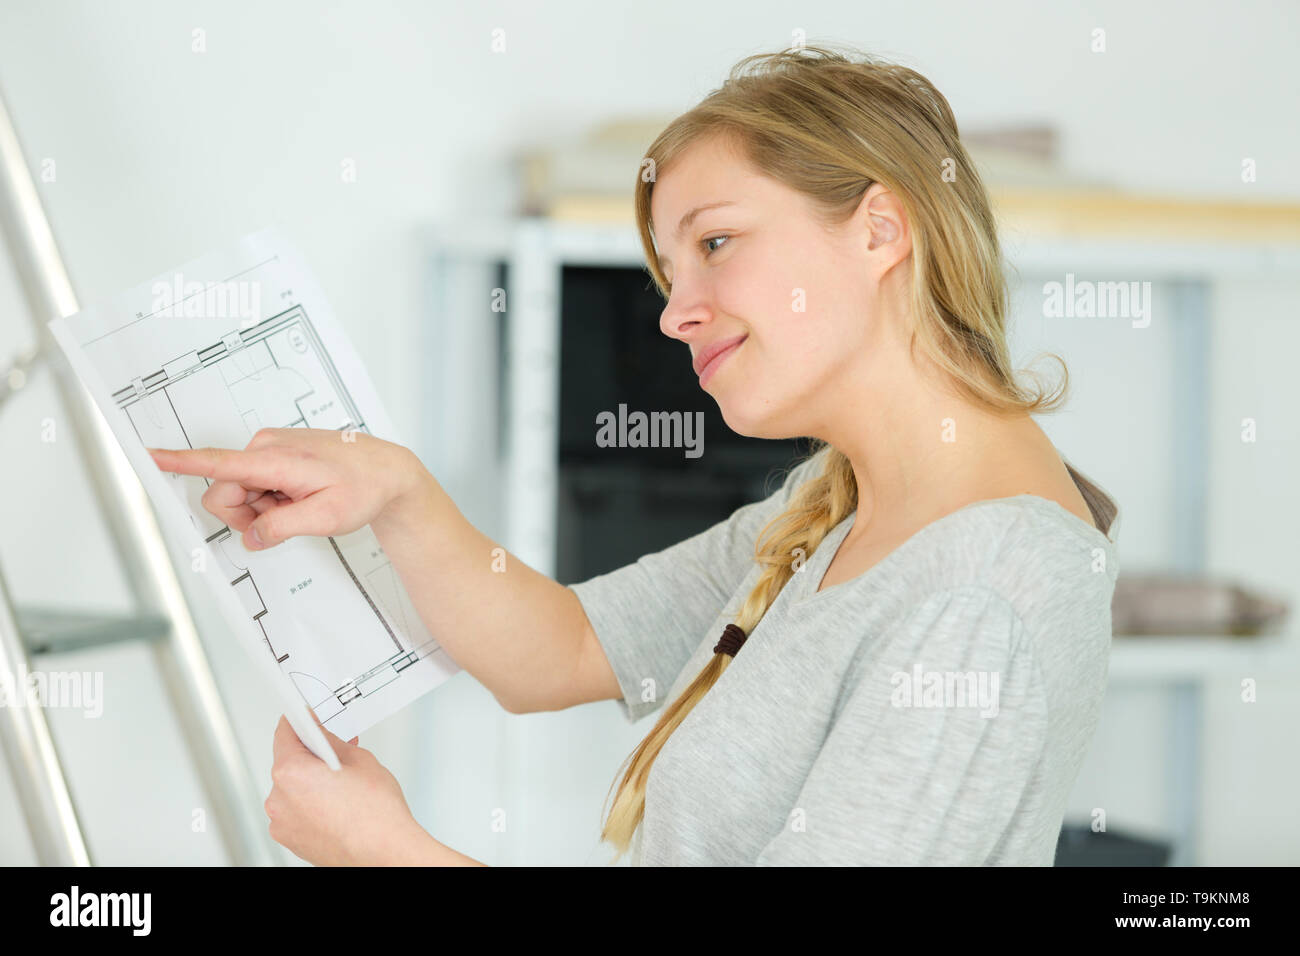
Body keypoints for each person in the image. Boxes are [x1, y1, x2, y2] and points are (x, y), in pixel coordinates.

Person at [148, 44, 1120, 867]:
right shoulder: (836, 509)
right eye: (669, 267)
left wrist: (397, 855)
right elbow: (565, 647)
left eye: (717, 241)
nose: (672, 310)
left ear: (878, 228)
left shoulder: (972, 596)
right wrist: (395, 491)